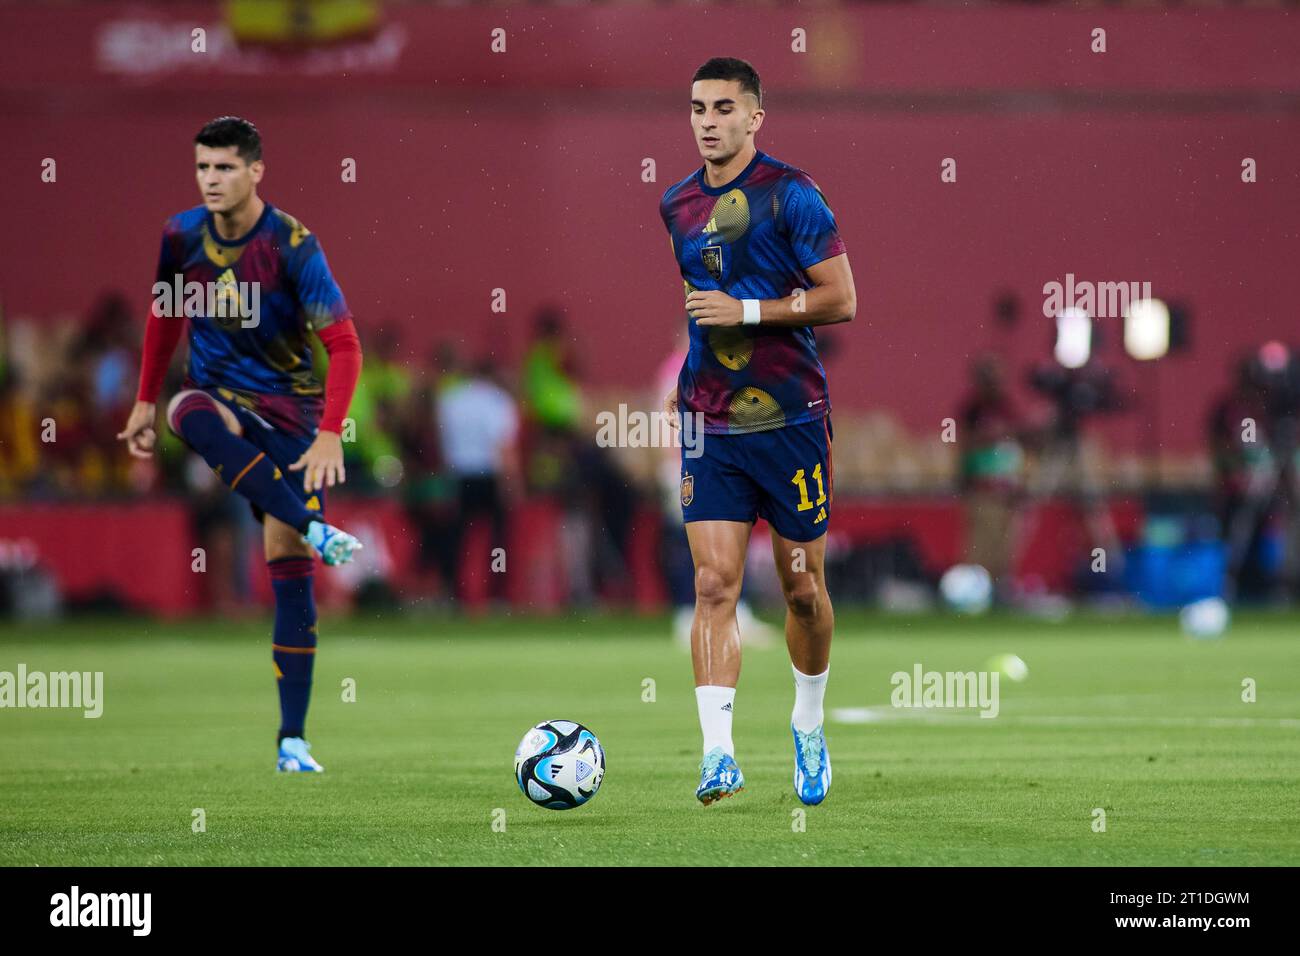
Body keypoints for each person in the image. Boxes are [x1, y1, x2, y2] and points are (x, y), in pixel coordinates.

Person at [116, 116, 363, 773]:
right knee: (186, 411)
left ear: (256, 171)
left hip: (291, 416)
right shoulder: (180, 235)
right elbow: (166, 314)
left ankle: (292, 741)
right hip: (218, 395)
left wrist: (332, 432)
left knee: (287, 572)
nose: (212, 180)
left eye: (225, 167)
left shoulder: (291, 246)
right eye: (203, 168)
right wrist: (143, 399)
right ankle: (310, 523)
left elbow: (342, 344)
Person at [659, 58, 856, 805]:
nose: (707, 120)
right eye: (696, 107)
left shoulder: (793, 195)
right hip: (708, 418)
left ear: (754, 118)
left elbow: (841, 300)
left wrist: (744, 313)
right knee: (714, 585)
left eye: (722, 108)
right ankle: (718, 755)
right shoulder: (676, 204)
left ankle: (808, 725)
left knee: (802, 590)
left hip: (791, 418)